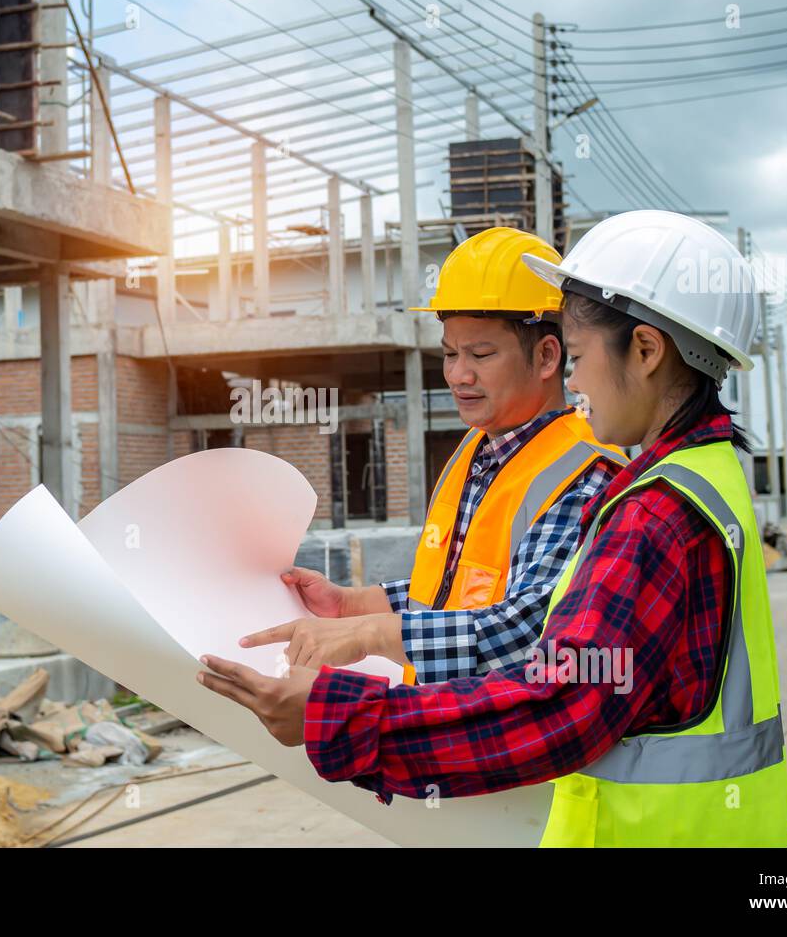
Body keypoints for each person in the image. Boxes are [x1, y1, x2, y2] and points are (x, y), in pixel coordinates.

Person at [198, 210, 787, 847]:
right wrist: (362, 608)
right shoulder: (702, 470)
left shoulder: (649, 509)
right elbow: (483, 591)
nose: (576, 380)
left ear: (646, 350)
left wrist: (341, 716)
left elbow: (561, 704)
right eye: (451, 353)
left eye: (582, 355)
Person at [256, 227, 623, 686]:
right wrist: (352, 604)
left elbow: (528, 627)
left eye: (480, 353)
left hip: (510, 744)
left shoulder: (584, 474)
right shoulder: (477, 449)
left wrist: (368, 633)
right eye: (449, 353)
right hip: (447, 735)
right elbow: (459, 590)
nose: (458, 374)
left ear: (548, 356)